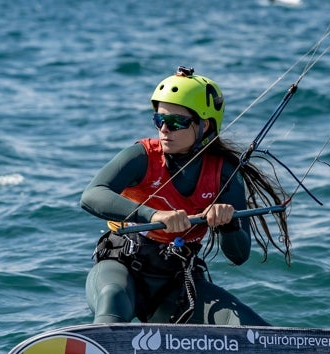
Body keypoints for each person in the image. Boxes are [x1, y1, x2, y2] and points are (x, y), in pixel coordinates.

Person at [80, 66, 291, 325]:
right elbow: (91, 195)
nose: (165, 129)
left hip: (177, 282)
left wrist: (229, 223)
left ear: (205, 126)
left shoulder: (225, 173)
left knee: (245, 324)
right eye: (160, 120)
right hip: (121, 270)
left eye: (177, 122)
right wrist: (154, 214)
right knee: (112, 297)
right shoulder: (141, 157)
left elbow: (239, 255)